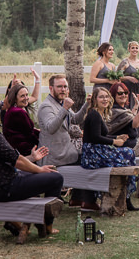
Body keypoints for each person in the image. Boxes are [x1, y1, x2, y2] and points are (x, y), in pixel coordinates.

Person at [0, 100, 63, 243]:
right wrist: (39, 169)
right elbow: (16, 160)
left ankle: (23, 223)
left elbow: (7, 159)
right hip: (4, 189)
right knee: (56, 178)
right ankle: (47, 225)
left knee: (35, 177)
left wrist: (32, 158)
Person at [37, 74, 97, 211]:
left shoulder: (60, 103)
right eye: (59, 87)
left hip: (65, 151)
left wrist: (87, 104)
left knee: (87, 157)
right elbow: (51, 128)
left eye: (65, 87)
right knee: (87, 160)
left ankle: (77, 198)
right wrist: (64, 109)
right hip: (54, 155)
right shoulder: (46, 107)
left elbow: (75, 119)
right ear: (51, 88)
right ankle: (86, 200)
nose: (63, 90)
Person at [82, 88, 139, 212]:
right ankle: (127, 195)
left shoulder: (99, 113)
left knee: (129, 153)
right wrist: (115, 142)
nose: (105, 99)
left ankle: (127, 196)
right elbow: (94, 138)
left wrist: (117, 136)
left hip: (96, 149)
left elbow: (99, 135)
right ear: (95, 100)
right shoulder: (94, 114)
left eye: (107, 97)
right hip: (92, 154)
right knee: (128, 153)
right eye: (101, 97)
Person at [2, 83, 41, 156]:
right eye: (22, 96)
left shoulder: (12, 109)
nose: (26, 98)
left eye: (26, 95)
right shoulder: (18, 112)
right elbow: (30, 134)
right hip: (23, 151)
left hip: (16, 147)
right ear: (15, 98)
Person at [108, 82, 139, 148]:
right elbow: (135, 124)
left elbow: (130, 118)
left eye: (125, 92)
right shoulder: (115, 110)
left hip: (129, 143)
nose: (123, 95)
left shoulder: (122, 110)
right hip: (122, 145)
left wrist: (136, 106)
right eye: (120, 93)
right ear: (113, 95)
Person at [117, 41, 139, 108]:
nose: (135, 50)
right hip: (128, 90)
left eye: (136, 48)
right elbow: (117, 76)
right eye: (132, 48)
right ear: (129, 49)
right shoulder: (125, 62)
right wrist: (129, 78)